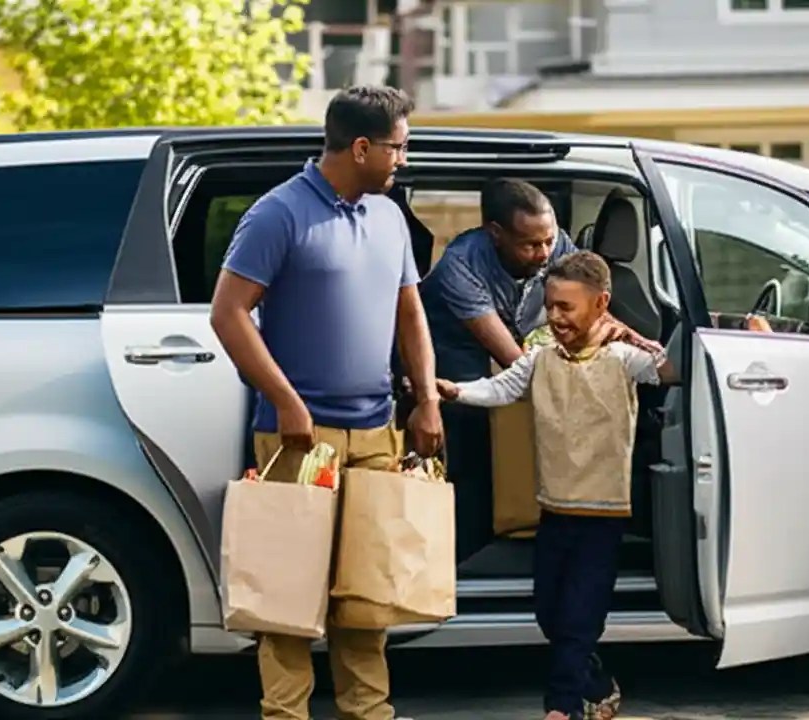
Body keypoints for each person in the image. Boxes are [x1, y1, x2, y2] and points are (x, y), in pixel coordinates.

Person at [209, 85, 443, 720]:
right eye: (398, 147)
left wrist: (426, 400)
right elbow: (228, 314)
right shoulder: (277, 214)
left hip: (376, 434)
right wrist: (284, 401)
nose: (403, 159)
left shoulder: (391, 217)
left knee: (367, 600)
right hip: (296, 440)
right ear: (362, 146)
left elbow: (409, 312)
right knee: (286, 600)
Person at [436, 251, 679, 720]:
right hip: (554, 509)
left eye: (567, 307)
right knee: (551, 613)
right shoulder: (540, 358)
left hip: (603, 513)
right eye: (550, 306)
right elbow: (502, 389)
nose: (555, 316)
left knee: (579, 619)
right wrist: (457, 391)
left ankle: (562, 707)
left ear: (600, 303)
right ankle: (599, 685)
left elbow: (669, 370)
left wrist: (655, 335)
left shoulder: (623, 358)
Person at [420, 179, 660, 561]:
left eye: (549, 241)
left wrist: (635, 343)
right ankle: (463, 555)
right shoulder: (460, 265)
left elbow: (591, 310)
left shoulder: (555, 244)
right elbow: (517, 362)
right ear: (496, 234)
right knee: (470, 430)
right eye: (531, 245)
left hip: (517, 334)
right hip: (455, 345)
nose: (545, 252)